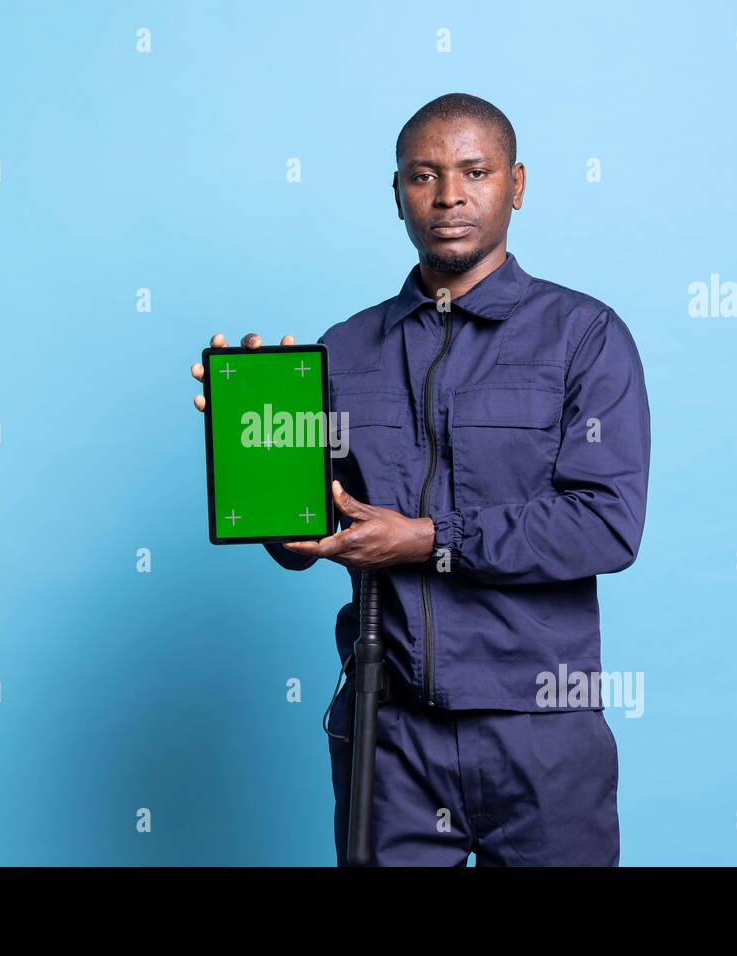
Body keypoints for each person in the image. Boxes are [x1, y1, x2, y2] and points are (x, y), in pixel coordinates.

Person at [190, 93, 651, 866]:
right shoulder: (345, 348)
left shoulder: (584, 337)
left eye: (476, 172)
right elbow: (307, 533)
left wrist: (430, 540)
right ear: (396, 191)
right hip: (389, 732)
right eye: (423, 176)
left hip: (540, 732)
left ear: (518, 184)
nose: (449, 197)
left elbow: (606, 522)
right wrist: (250, 444)